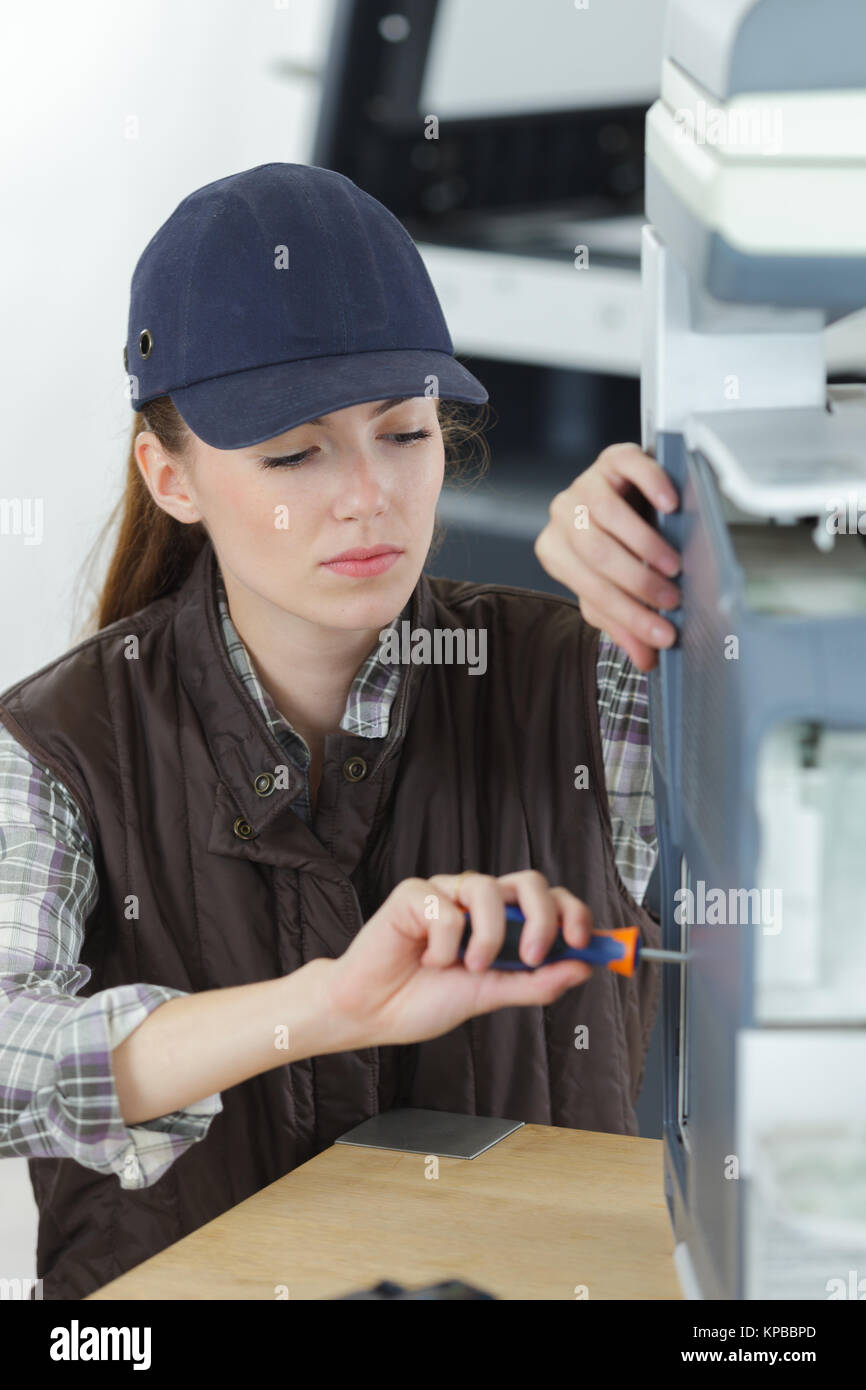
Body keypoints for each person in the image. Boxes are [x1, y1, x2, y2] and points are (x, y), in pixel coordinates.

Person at [0, 163, 680, 1300]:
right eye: (293, 453)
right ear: (170, 478)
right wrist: (321, 1006)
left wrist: (685, 548)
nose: (367, 495)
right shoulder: (58, 746)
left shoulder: (586, 682)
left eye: (403, 432)